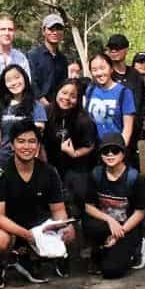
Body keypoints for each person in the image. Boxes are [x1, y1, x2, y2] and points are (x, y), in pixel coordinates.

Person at [0, 121, 75, 287]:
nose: (26, 146)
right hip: (9, 226)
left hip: (38, 225)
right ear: (12, 145)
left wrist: (60, 226)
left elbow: (58, 209)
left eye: (32, 141)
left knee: (69, 231)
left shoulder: (49, 171)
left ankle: (40, 259)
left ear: (38, 145)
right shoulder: (1, 173)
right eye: (21, 141)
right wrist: (26, 234)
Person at [82, 133, 145, 278]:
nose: (110, 154)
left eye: (115, 150)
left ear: (123, 153)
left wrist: (120, 232)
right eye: (105, 151)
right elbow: (89, 206)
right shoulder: (96, 174)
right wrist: (110, 220)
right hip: (106, 225)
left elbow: (140, 212)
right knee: (89, 223)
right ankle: (99, 250)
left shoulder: (134, 177)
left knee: (112, 271)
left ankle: (137, 247)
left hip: (127, 226)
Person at [42, 78, 97, 226]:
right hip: (51, 163)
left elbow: (90, 145)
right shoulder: (47, 112)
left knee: (75, 193)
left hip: (77, 166)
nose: (67, 98)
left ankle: (78, 225)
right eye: (64, 93)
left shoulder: (83, 119)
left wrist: (75, 153)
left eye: (73, 96)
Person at [0, 65, 46, 176]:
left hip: (27, 163)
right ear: (4, 84)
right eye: (9, 80)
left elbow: (38, 138)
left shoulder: (36, 106)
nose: (14, 82)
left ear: (24, 78)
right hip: (3, 162)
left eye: (17, 77)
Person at [84, 53, 135, 146]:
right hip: (92, 147)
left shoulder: (124, 92)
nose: (99, 73)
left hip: (114, 146)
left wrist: (121, 149)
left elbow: (128, 127)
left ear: (111, 69)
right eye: (94, 70)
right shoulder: (90, 90)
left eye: (102, 68)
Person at [28, 14, 70, 106]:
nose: (55, 32)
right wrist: (44, 103)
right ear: (43, 31)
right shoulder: (33, 55)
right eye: (51, 29)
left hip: (57, 108)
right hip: (36, 108)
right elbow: (32, 83)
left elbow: (64, 85)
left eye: (58, 29)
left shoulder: (63, 59)